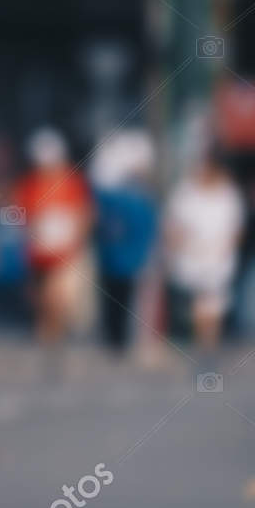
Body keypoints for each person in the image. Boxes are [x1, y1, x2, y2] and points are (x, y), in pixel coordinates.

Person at [15, 127, 92, 350]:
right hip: (38, 253)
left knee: (58, 298)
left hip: (65, 253)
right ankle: (47, 340)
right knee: (42, 301)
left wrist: (76, 240)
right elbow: (21, 215)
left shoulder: (72, 182)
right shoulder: (30, 185)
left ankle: (55, 338)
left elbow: (84, 213)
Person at [164, 153, 244, 359]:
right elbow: (173, 226)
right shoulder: (184, 193)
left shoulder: (228, 195)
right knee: (200, 305)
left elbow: (236, 229)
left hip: (218, 258)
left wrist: (225, 250)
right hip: (192, 258)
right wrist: (178, 248)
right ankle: (204, 345)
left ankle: (208, 345)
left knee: (212, 306)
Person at [89, 129, 158, 354]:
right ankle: (115, 340)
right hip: (116, 256)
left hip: (130, 257)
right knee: (114, 298)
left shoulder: (138, 196)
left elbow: (146, 227)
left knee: (128, 299)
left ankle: (125, 341)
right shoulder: (114, 194)